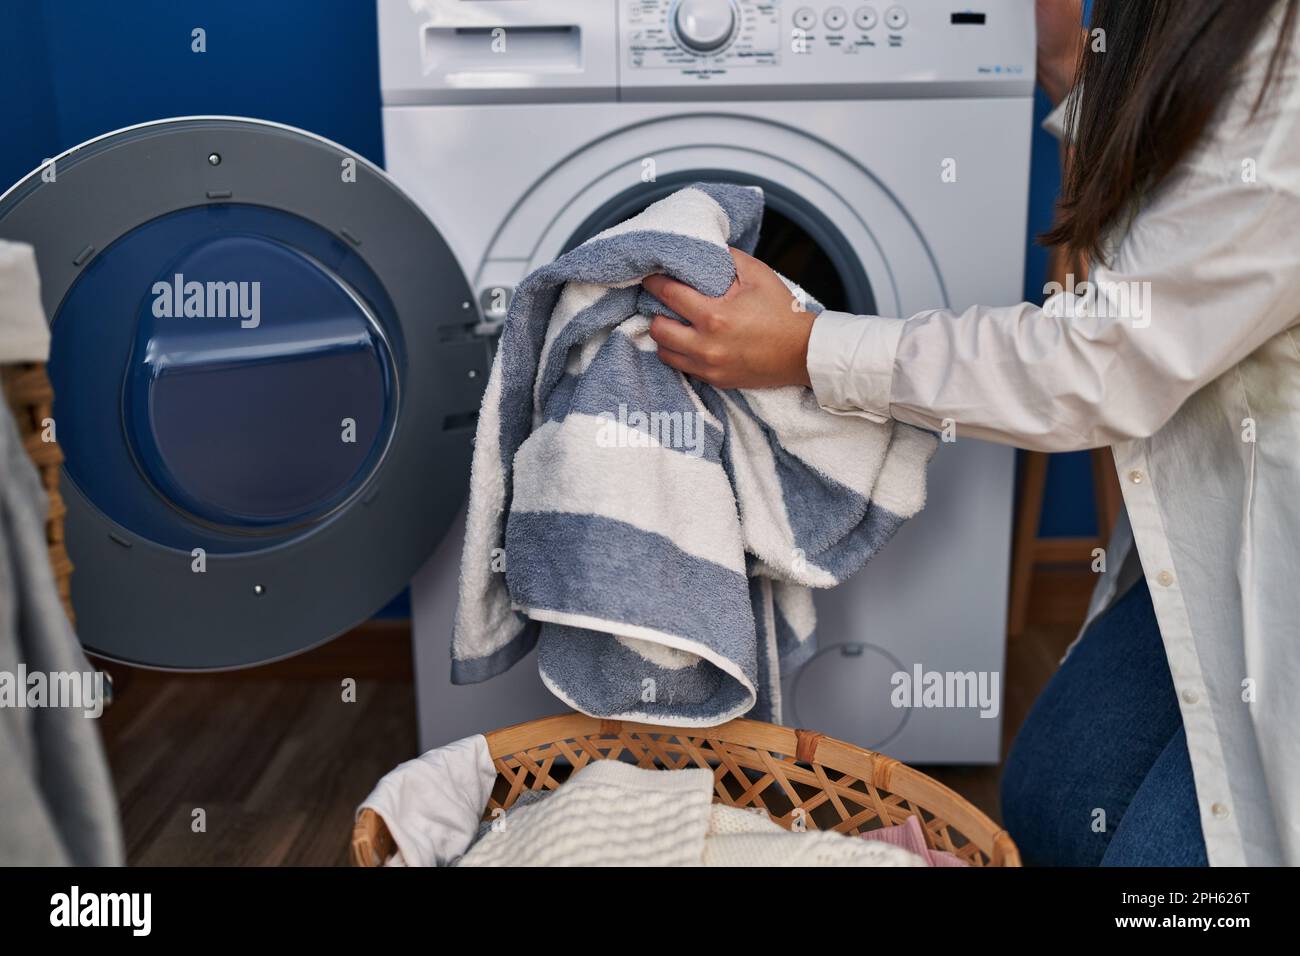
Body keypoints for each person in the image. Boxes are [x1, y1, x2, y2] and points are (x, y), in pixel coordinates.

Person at [642, 0, 1300, 867]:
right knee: (1056, 801)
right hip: (1234, 530)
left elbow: (1099, 363)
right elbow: (1176, 219)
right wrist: (1067, 61)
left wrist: (806, 348)